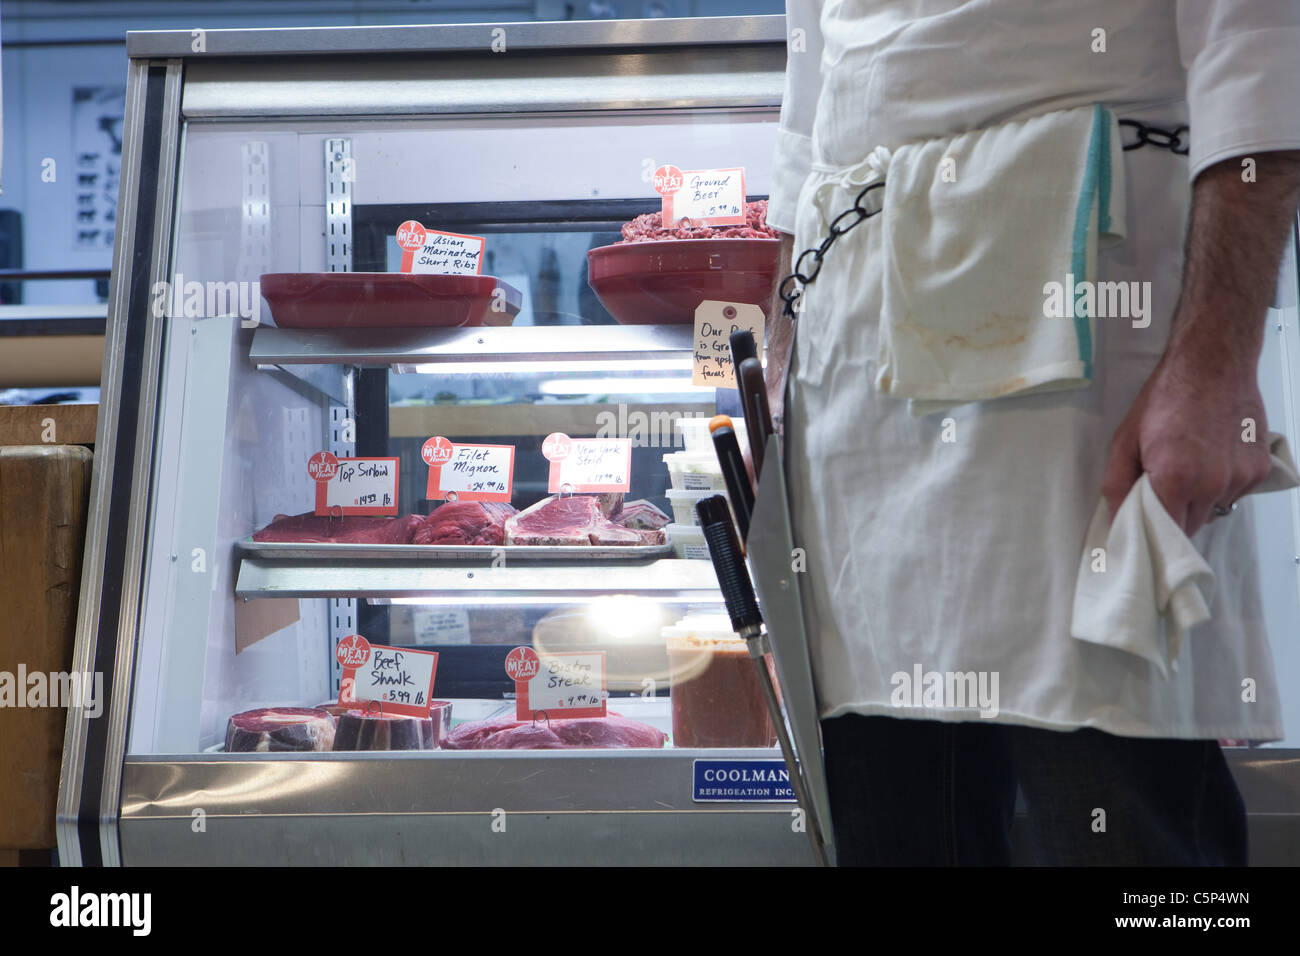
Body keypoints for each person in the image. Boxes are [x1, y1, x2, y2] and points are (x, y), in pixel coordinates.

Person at [763, 0, 1300, 865]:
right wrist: (779, 369)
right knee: (895, 811)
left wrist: (1213, 367)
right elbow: (806, 108)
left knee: (1117, 813)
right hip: (857, 368)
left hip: (1089, 311)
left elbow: (1259, 44)